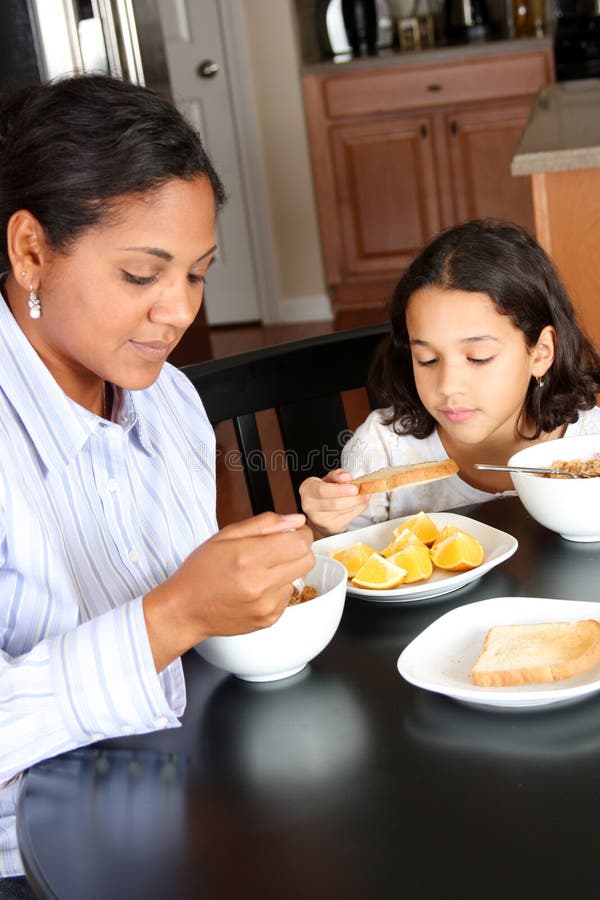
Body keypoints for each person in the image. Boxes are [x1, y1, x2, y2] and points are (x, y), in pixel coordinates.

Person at [0, 74, 314, 894]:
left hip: (190, 795)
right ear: (31, 249)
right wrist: (172, 615)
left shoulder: (167, 399)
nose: (178, 312)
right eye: (142, 275)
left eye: (198, 274)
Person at [300, 219, 600, 537]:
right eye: (427, 360)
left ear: (540, 353)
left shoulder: (592, 441)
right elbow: (341, 564)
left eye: (478, 358)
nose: (447, 386)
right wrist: (322, 527)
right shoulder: (383, 448)